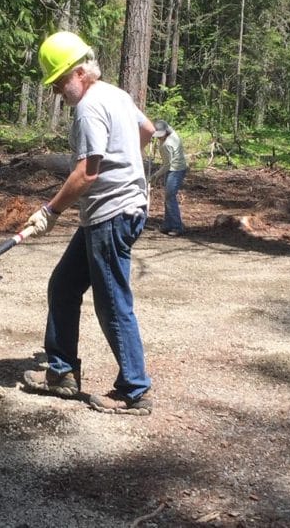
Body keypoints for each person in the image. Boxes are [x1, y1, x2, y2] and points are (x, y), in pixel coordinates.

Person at [19, 31, 156, 416]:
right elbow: (147, 132)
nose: (60, 90)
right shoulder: (117, 95)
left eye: (62, 81)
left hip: (112, 214)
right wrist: (126, 160)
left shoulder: (89, 107)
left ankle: (135, 391)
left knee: (112, 301)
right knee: (63, 285)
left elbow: (86, 173)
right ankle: (62, 373)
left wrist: (51, 211)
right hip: (114, 212)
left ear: (81, 71)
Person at [150, 119, 188, 236]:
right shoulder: (173, 133)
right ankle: (167, 224)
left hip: (175, 170)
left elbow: (167, 165)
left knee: (170, 197)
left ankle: (177, 226)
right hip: (175, 168)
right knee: (168, 197)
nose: (158, 138)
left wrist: (155, 175)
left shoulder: (167, 145)